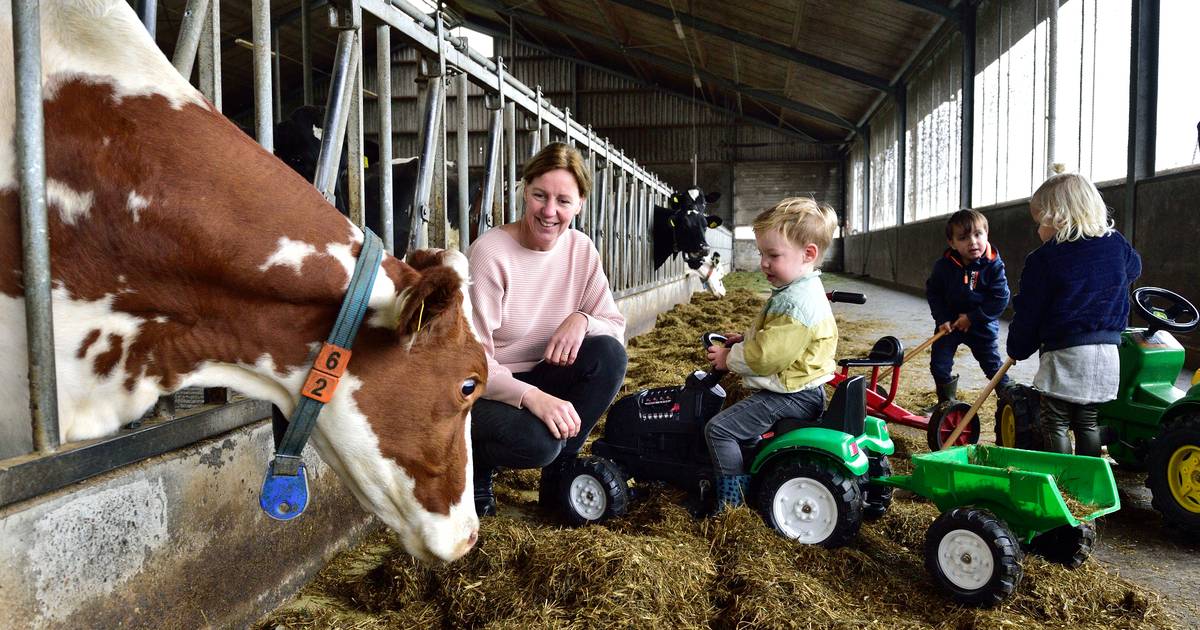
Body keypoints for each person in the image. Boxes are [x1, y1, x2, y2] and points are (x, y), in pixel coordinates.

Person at [467, 142, 628, 517]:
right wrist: (532, 398)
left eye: (563, 201)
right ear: (525, 191)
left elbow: (616, 328)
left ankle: (559, 479)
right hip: (483, 391)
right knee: (538, 443)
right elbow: (471, 361)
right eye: (540, 196)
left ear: (581, 204)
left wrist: (583, 320)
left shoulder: (581, 251)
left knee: (607, 355)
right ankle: (475, 467)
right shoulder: (491, 253)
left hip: (542, 375)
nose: (549, 211)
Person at [703, 197, 839, 510]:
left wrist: (729, 358)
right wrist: (743, 338)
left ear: (808, 254)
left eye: (773, 255)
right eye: (762, 253)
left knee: (719, 429)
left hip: (790, 394)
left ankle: (731, 502)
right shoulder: (799, 290)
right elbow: (776, 336)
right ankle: (751, 475)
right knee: (742, 426)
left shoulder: (795, 303)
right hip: (801, 387)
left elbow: (767, 356)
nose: (763, 263)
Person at [1007, 167, 1141, 456]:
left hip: (1067, 353)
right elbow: (1135, 268)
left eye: (1039, 222)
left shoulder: (1044, 259)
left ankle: (1063, 480)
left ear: (1058, 218)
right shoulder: (1115, 244)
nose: (1038, 230)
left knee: (1055, 421)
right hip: (1107, 353)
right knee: (1088, 421)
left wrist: (1017, 348)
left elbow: (1030, 311)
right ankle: (1088, 483)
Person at [925, 209, 1012, 408]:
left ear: (986, 234)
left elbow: (1000, 298)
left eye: (978, 234)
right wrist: (942, 319)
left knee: (993, 367)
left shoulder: (993, 266)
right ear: (952, 243)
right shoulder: (943, 266)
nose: (972, 242)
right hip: (951, 325)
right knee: (939, 365)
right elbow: (934, 293)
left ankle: (1010, 400)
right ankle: (946, 405)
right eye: (963, 238)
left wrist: (973, 318)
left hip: (982, 325)